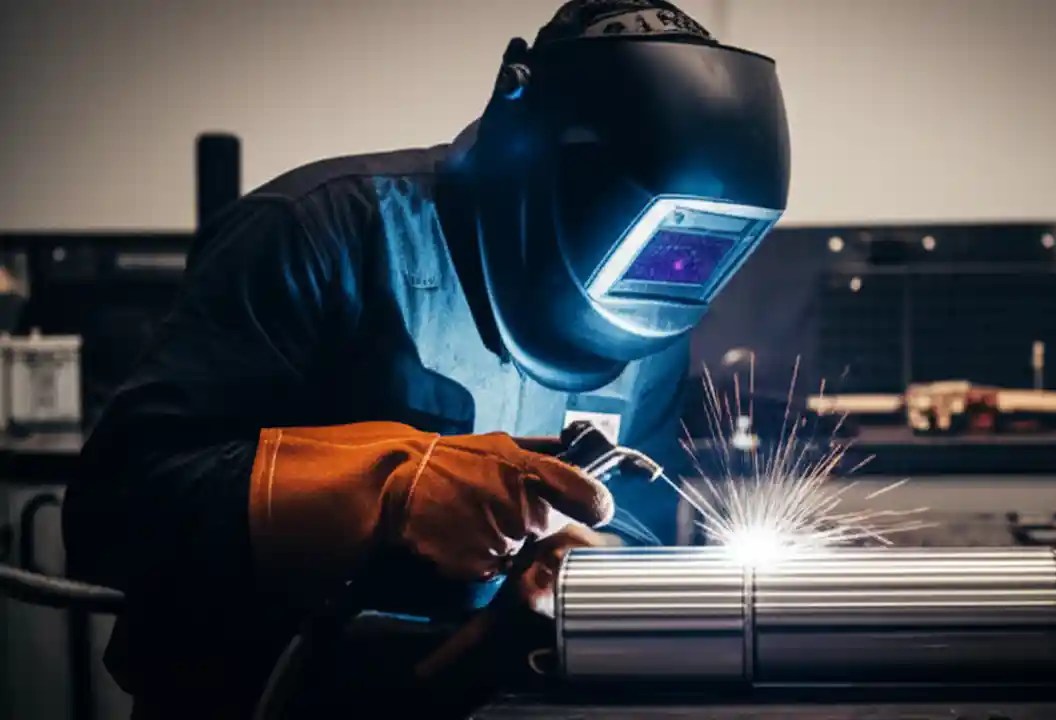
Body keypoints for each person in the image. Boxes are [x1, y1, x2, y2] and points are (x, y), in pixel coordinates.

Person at [62, 0, 789, 716]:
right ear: (526, 116)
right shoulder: (316, 233)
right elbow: (115, 515)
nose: (661, 277)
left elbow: (631, 523)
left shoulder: (652, 323)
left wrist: (586, 572)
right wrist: (383, 493)